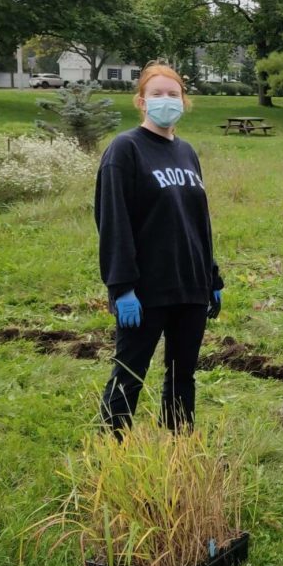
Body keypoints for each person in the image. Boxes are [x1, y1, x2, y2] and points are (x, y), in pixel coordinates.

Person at [95, 64, 223, 433]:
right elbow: (113, 221)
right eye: (157, 94)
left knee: (183, 378)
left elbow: (198, 222)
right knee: (129, 376)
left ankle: (177, 451)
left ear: (184, 101)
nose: (166, 101)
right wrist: (121, 288)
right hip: (145, 291)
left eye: (173, 94)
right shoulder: (125, 150)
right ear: (141, 101)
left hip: (190, 288)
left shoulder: (186, 152)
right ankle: (111, 454)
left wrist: (212, 277)